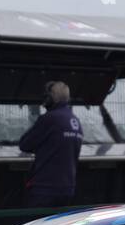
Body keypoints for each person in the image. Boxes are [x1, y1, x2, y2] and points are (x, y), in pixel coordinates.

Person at [17, 81, 83, 209]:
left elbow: (25, 144)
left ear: (51, 98)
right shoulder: (75, 121)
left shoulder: (49, 118)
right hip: (68, 189)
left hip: (45, 189)